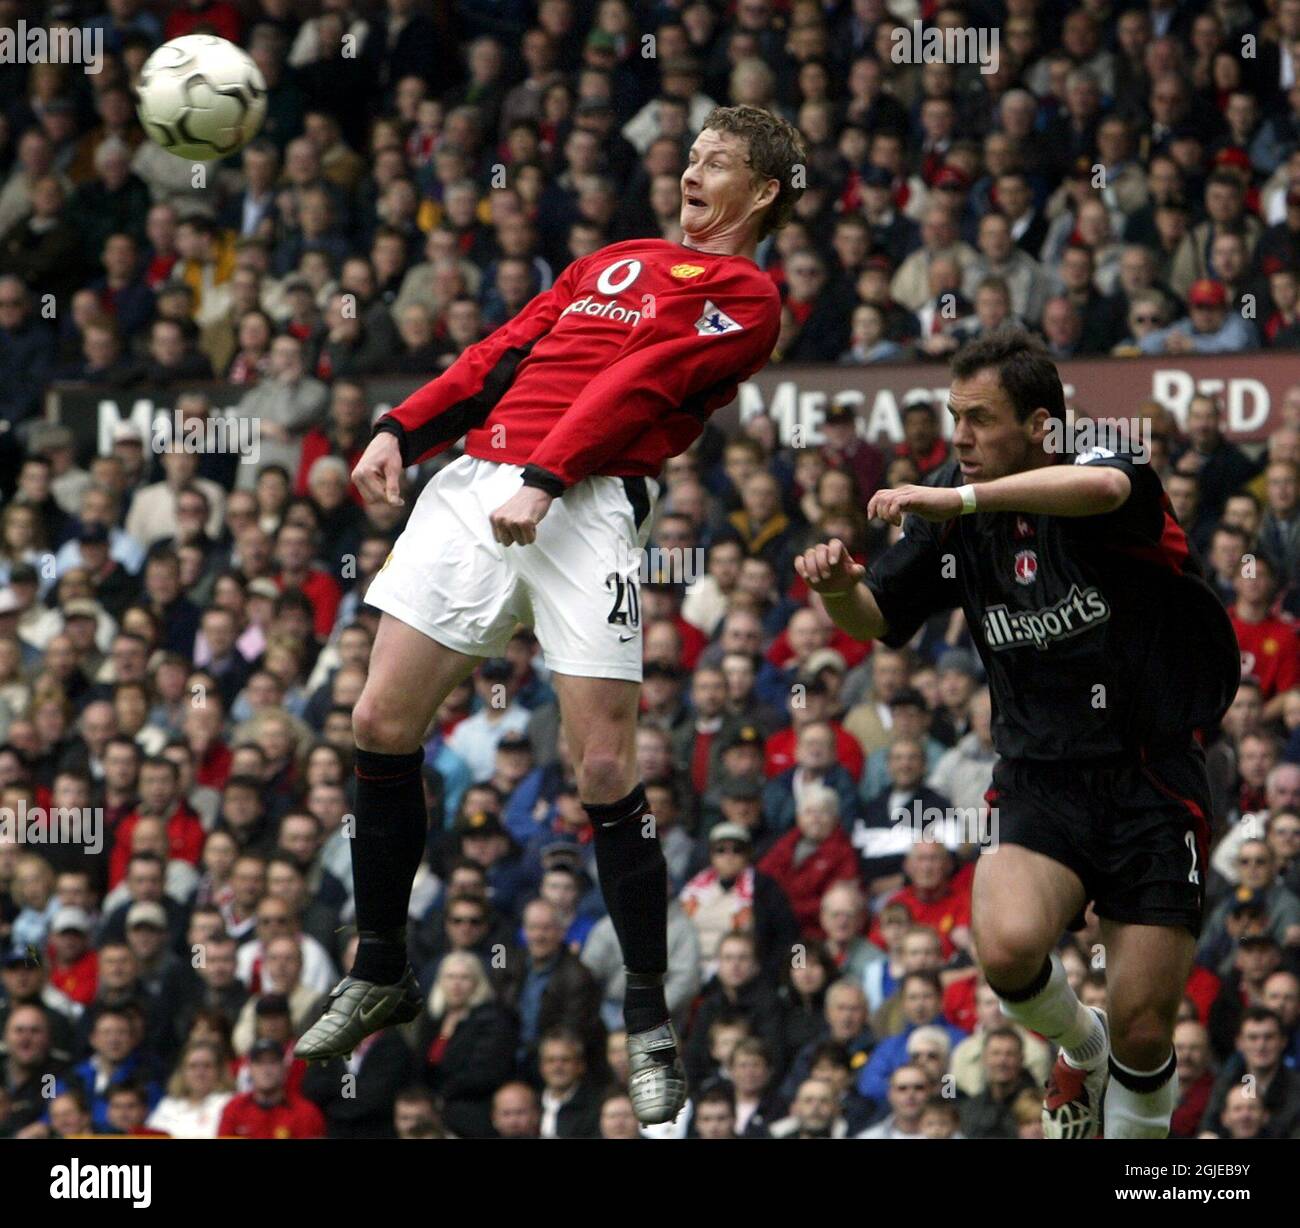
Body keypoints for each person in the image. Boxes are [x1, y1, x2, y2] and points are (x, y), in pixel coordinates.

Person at [295, 105, 805, 1129]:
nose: (691, 168)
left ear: (764, 193)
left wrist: (548, 472)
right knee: (376, 724)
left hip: (587, 502)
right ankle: (383, 966)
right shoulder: (612, 260)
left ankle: (650, 1017)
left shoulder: (748, 299)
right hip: (480, 481)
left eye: (719, 162)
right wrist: (404, 424)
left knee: (605, 770)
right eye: (691, 153)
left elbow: (641, 381)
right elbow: (507, 346)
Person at [797, 329, 1241, 1139]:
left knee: (1149, 1033)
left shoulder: (1103, 462)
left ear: (1042, 425)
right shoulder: (950, 501)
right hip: (1042, 774)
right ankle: (1081, 1042)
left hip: (1153, 777)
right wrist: (836, 591)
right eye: (952, 415)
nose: (958, 437)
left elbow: (1104, 495)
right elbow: (879, 617)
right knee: (1004, 951)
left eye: (979, 419)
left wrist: (959, 503)